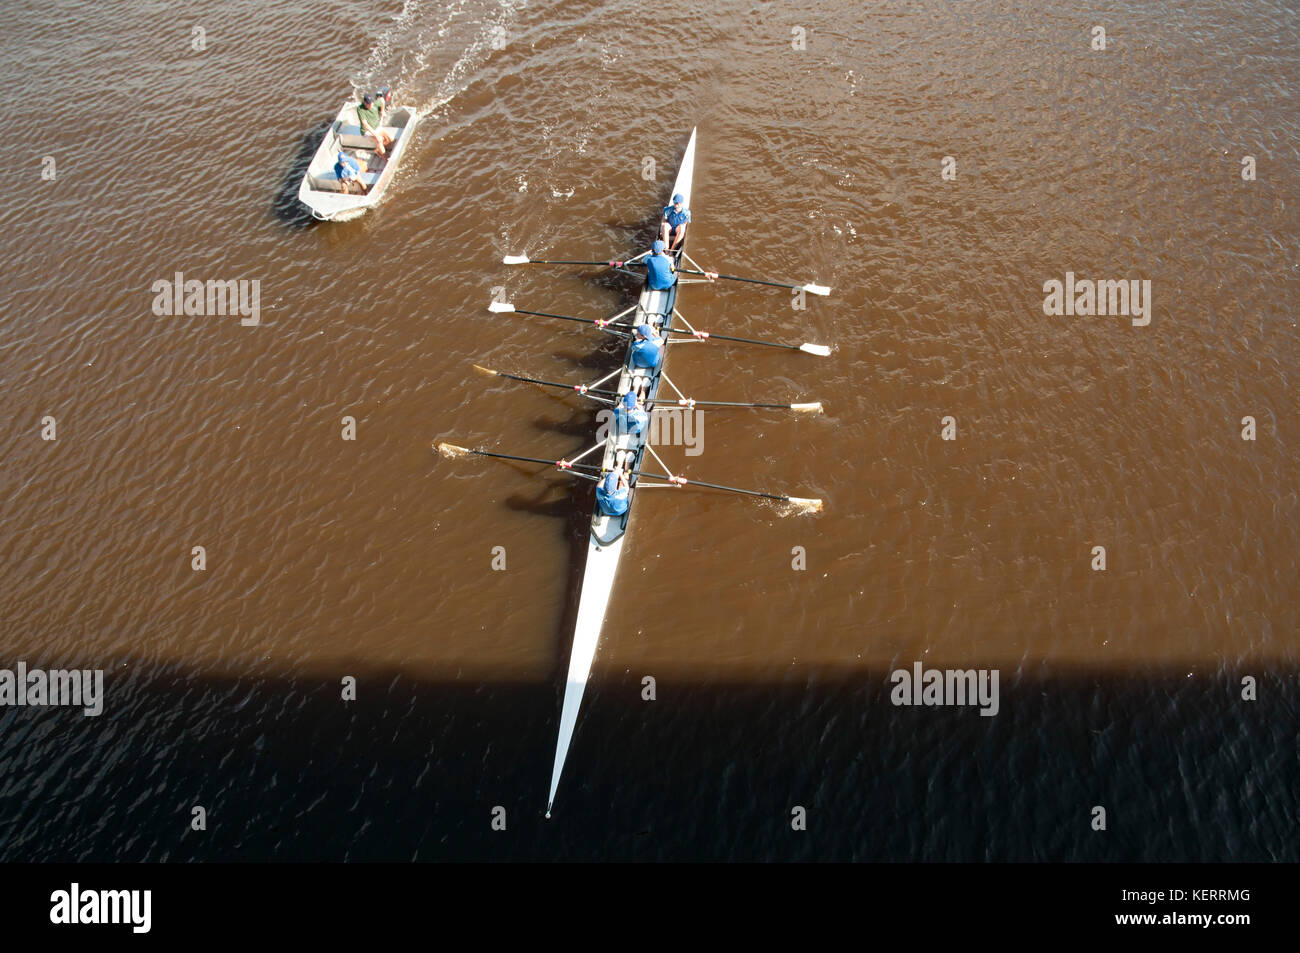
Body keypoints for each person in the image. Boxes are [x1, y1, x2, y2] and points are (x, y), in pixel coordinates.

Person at [357, 93, 393, 157]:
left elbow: (382, 100)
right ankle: (385, 157)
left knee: (390, 139)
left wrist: (382, 110)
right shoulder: (360, 109)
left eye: (372, 103)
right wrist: (376, 135)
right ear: (364, 103)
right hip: (367, 131)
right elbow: (365, 124)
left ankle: (377, 149)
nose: (371, 105)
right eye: (369, 104)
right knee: (380, 140)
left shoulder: (375, 103)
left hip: (377, 127)